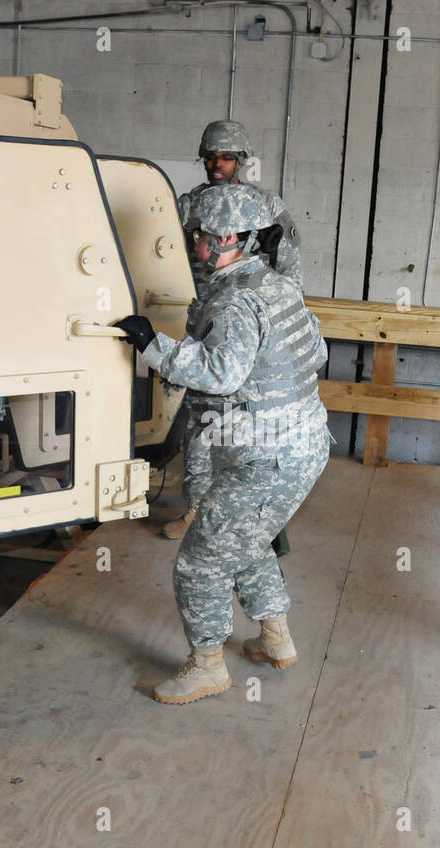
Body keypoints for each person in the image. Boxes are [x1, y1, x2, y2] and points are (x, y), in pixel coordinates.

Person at [113, 185, 329, 705]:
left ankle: (207, 667)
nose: (195, 245)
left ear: (230, 238)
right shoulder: (277, 285)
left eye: (202, 237)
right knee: (247, 539)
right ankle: (276, 639)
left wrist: (151, 344)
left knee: (200, 562)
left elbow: (220, 373)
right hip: (298, 445)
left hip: (266, 458)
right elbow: (317, 349)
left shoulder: (236, 299)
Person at [164, 119, 303, 540]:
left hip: (250, 324)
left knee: (247, 425)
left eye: (225, 157)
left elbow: (289, 270)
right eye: (210, 157)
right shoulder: (188, 206)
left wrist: (279, 326)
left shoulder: (265, 207)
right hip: (205, 320)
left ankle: (254, 514)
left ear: (241, 161)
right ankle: (196, 509)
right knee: (200, 420)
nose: (216, 165)